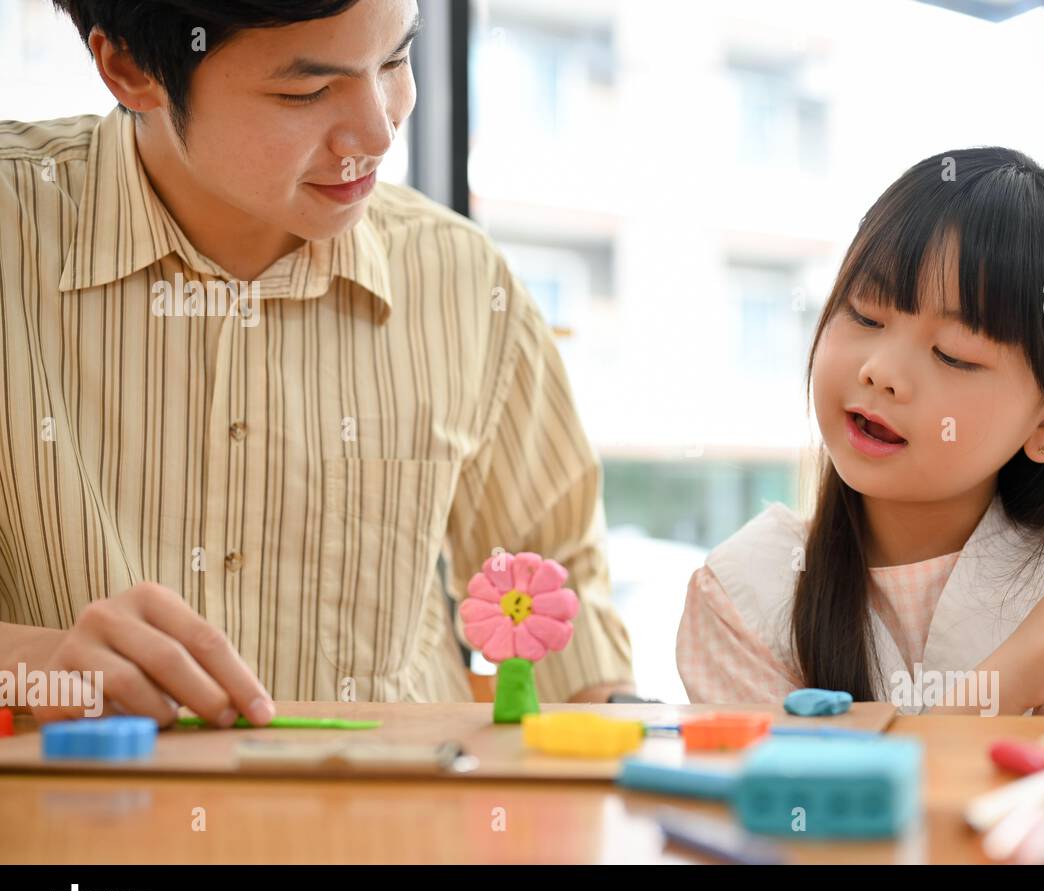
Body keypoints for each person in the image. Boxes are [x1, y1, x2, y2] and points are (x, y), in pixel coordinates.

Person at [0, 0, 635, 725]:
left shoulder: (460, 281)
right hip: (74, 834)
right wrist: (33, 665)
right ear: (130, 68)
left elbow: (556, 592)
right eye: (306, 92)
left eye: (395, 61)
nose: (378, 131)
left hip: (396, 824)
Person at [676, 147, 1044, 714]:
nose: (881, 371)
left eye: (953, 354)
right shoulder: (743, 594)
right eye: (865, 314)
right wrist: (1015, 671)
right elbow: (797, 812)